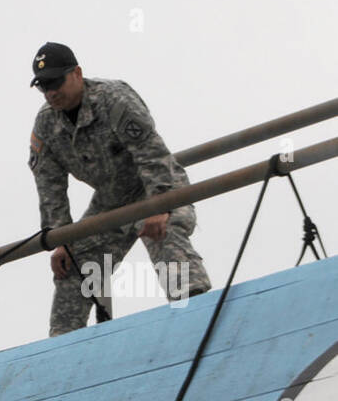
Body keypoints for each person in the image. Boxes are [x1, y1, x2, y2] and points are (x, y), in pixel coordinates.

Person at [27, 42, 212, 336]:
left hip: (155, 187)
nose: (51, 92)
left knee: (165, 237)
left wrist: (159, 207)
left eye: (56, 82)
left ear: (77, 73)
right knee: (73, 265)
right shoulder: (46, 123)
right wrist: (60, 237)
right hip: (110, 202)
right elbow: (49, 184)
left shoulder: (113, 99)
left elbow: (151, 153)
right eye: (43, 86)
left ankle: (199, 319)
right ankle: (61, 351)